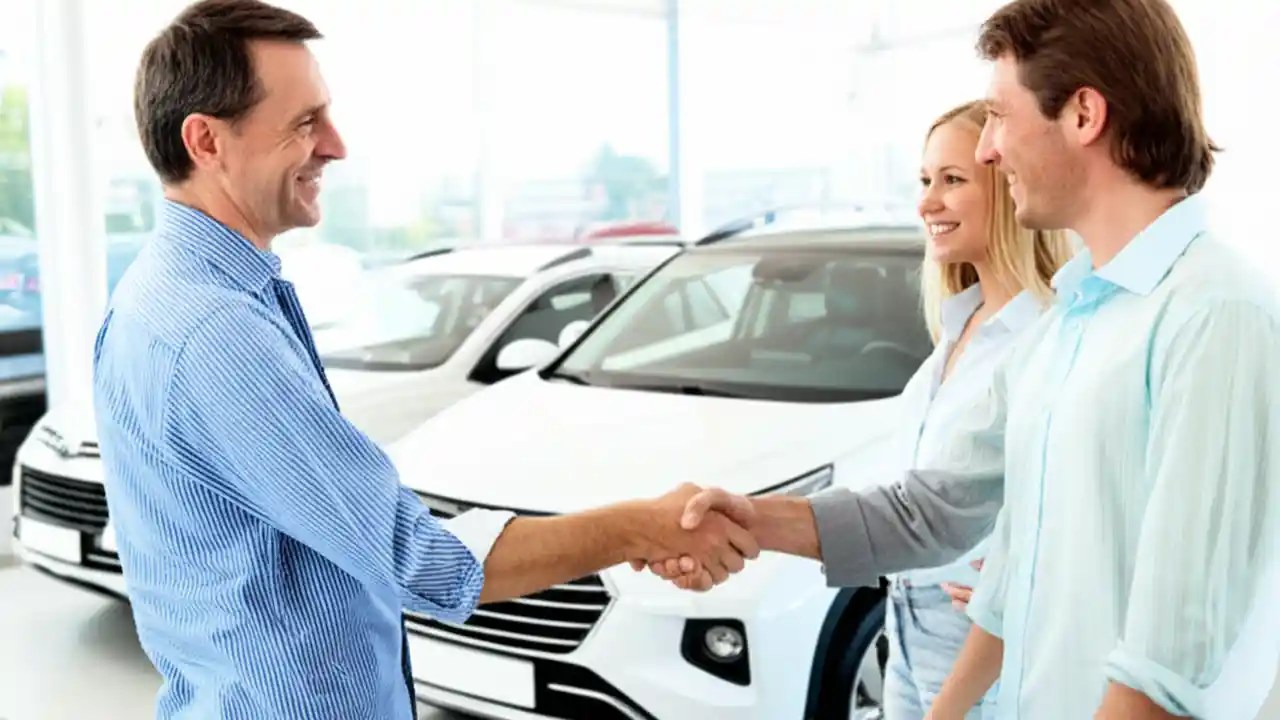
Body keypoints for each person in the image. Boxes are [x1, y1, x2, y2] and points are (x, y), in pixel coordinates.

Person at [92, 2, 757, 718]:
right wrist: (640, 526)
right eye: (304, 122)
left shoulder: (159, 294)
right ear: (207, 141)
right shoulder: (215, 332)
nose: (337, 146)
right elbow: (416, 561)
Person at [647, 1, 1279, 718]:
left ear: (1083, 115)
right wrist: (750, 519)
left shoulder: (1217, 314)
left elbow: (1168, 670)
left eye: (1000, 117)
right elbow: (986, 559)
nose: (988, 150)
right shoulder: (1071, 322)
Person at [880, 99, 1074, 720]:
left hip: (977, 638)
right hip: (904, 624)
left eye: (953, 180)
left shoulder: (1045, 337)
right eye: (925, 180)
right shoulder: (957, 330)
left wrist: (1026, 587)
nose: (927, 202)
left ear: (1006, 182)